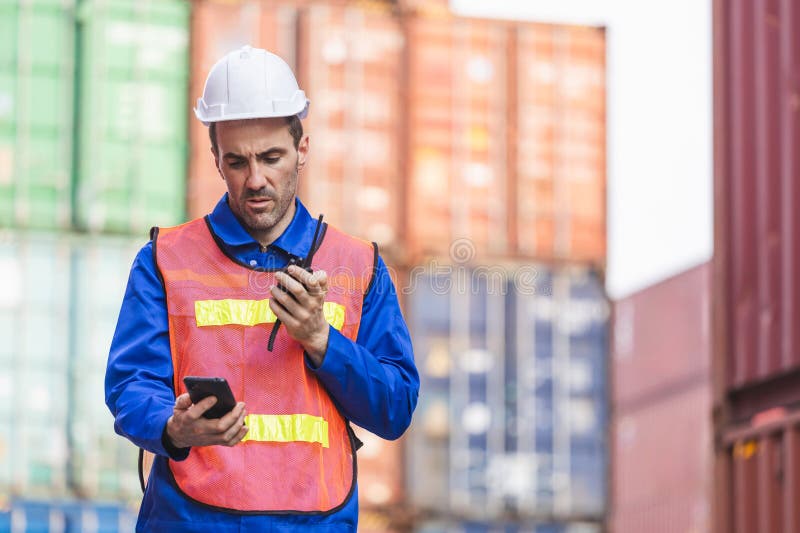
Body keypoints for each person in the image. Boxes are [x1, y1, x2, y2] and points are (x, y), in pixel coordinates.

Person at [105, 45, 419, 532]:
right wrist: (171, 427)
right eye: (237, 162)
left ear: (303, 150)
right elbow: (130, 386)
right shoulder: (164, 261)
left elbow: (395, 408)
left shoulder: (360, 267)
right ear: (215, 159)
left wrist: (322, 341)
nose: (256, 180)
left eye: (272, 157)